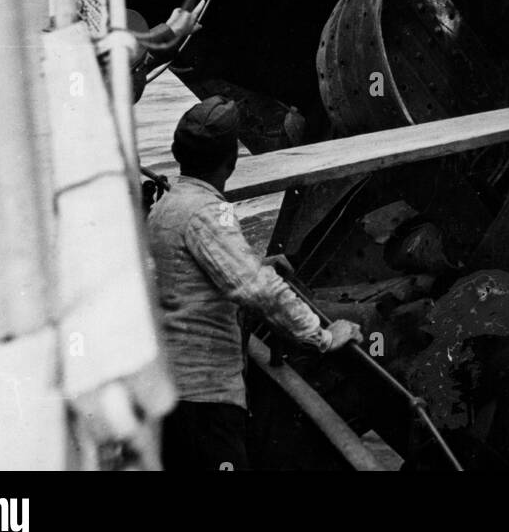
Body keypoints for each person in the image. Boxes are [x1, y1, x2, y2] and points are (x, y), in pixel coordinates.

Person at [148, 96, 362, 470]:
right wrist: (324, 337)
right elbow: (257, 287)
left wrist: (256, 264)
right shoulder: (209, 213)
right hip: (205, 401)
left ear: (175, 152)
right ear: (231, 162)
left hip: (166, 393)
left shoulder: (163, 207)